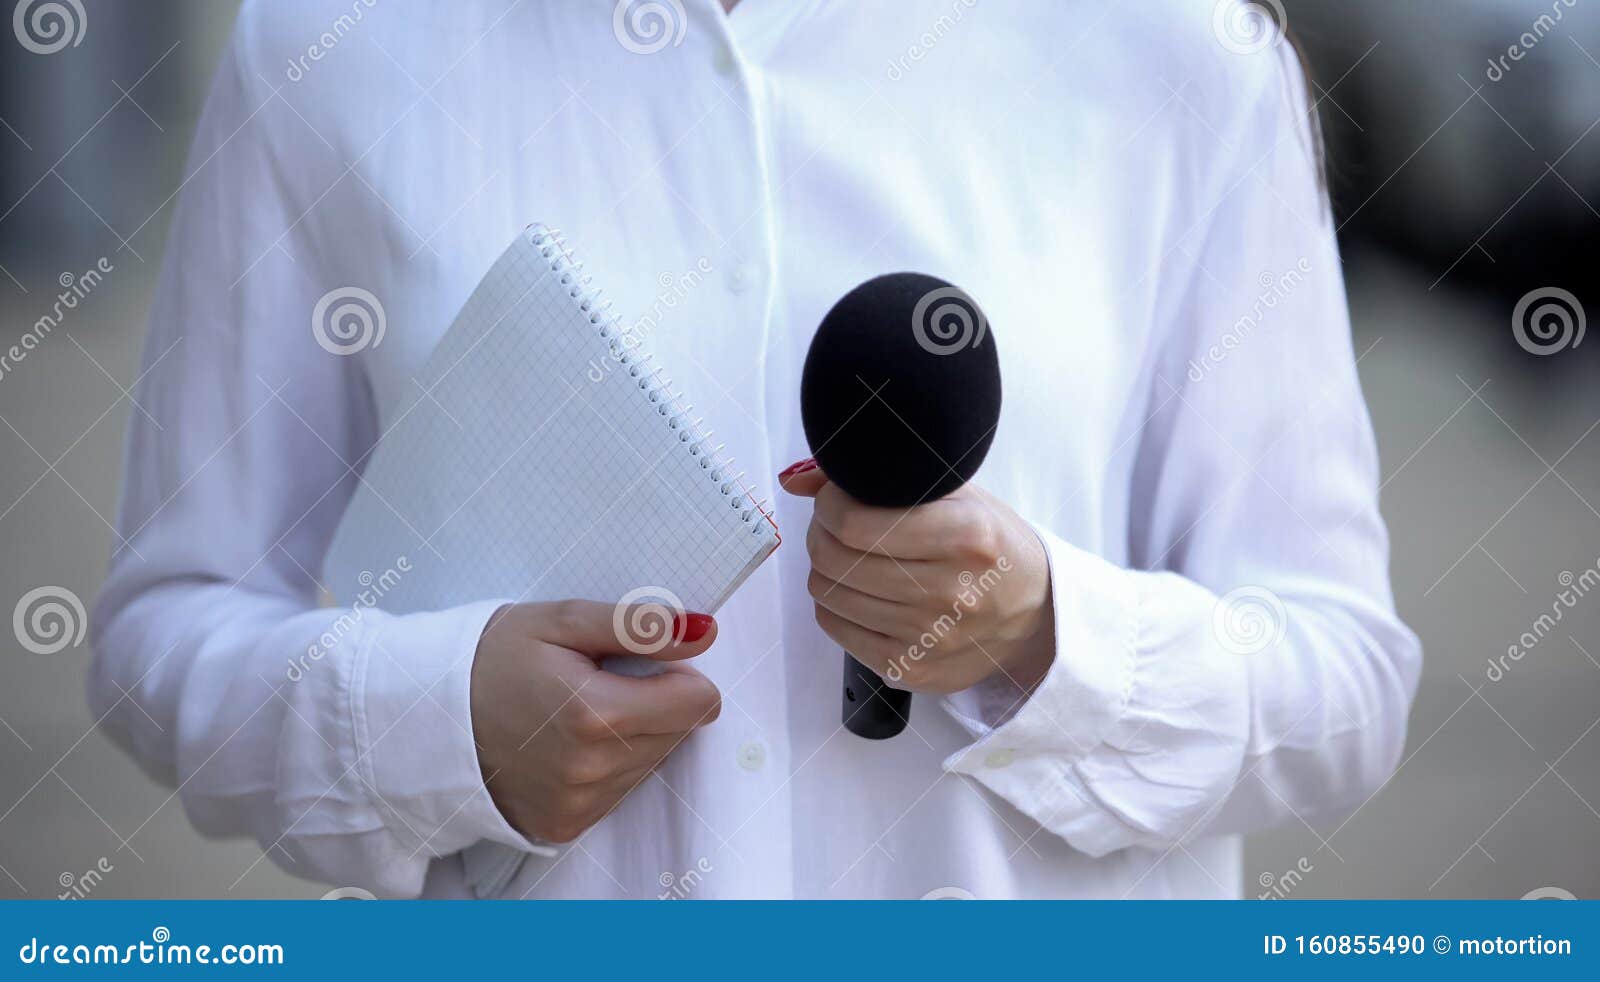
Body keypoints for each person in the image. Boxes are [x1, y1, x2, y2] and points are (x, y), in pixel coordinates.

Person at [90, 0, 1421, 899]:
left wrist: (1051, 635)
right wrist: (435, 723)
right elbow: (167, 633)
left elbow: (1344, 677)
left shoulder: (1172, 54)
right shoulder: (336, 50)